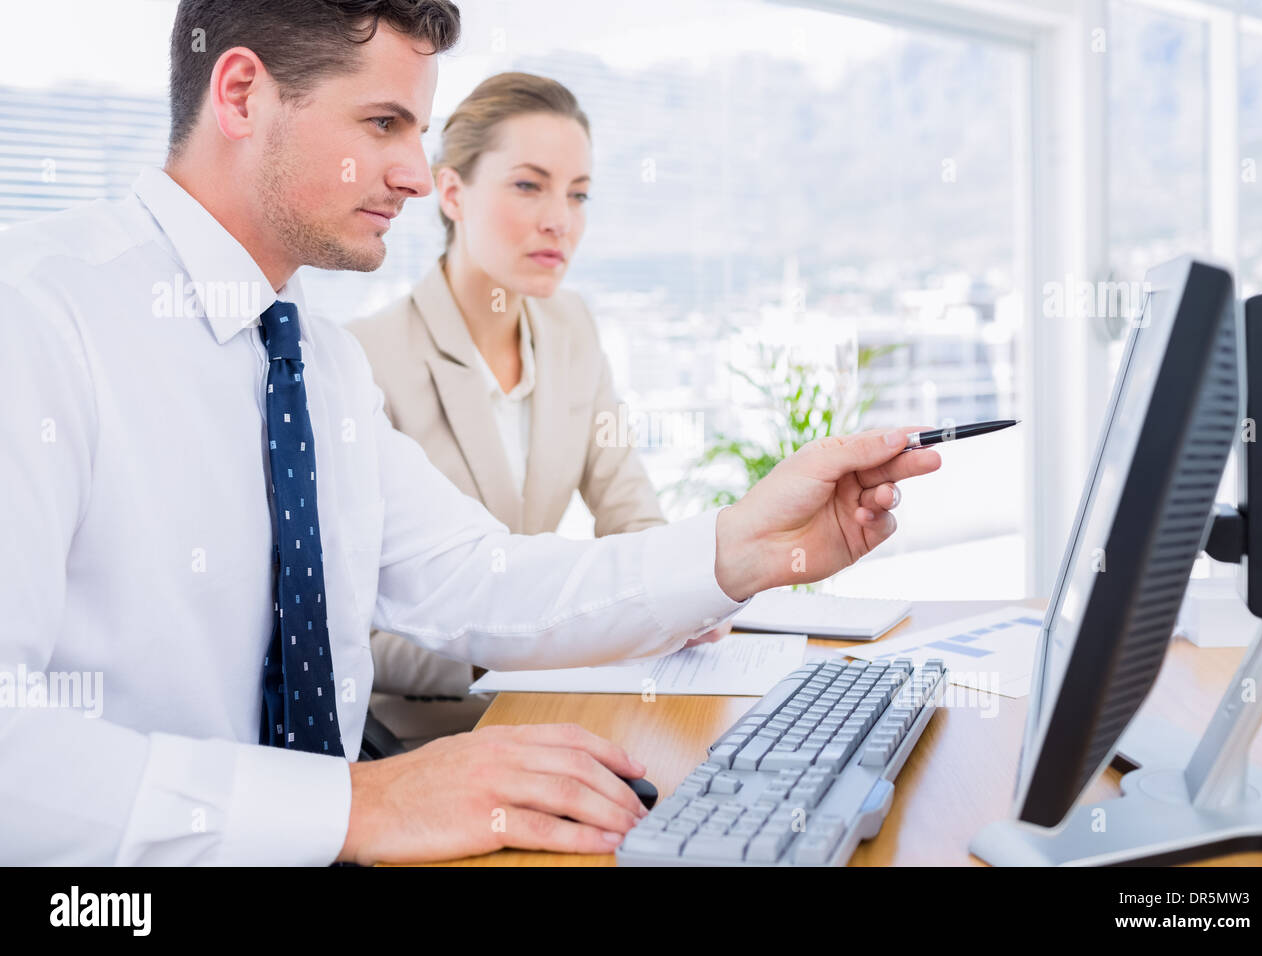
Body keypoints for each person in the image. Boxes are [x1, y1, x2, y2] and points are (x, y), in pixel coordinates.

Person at [0, 0, 939, 866]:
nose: (415, 172)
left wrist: (746, 544)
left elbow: (477, 581)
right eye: (383, 124)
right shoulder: (37, 318)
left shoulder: (316, 362)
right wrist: (358, 805)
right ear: (242, 93)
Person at [349, 72, 724, 745]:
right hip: (436, 737)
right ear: (453, 192)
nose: (561, 219)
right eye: (529, 185)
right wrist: (529, 640)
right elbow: (353, 636)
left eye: (578, 195)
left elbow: (630, 514)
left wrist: (681, 597)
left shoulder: (570, 327)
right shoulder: (365, 361)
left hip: (567, 710)